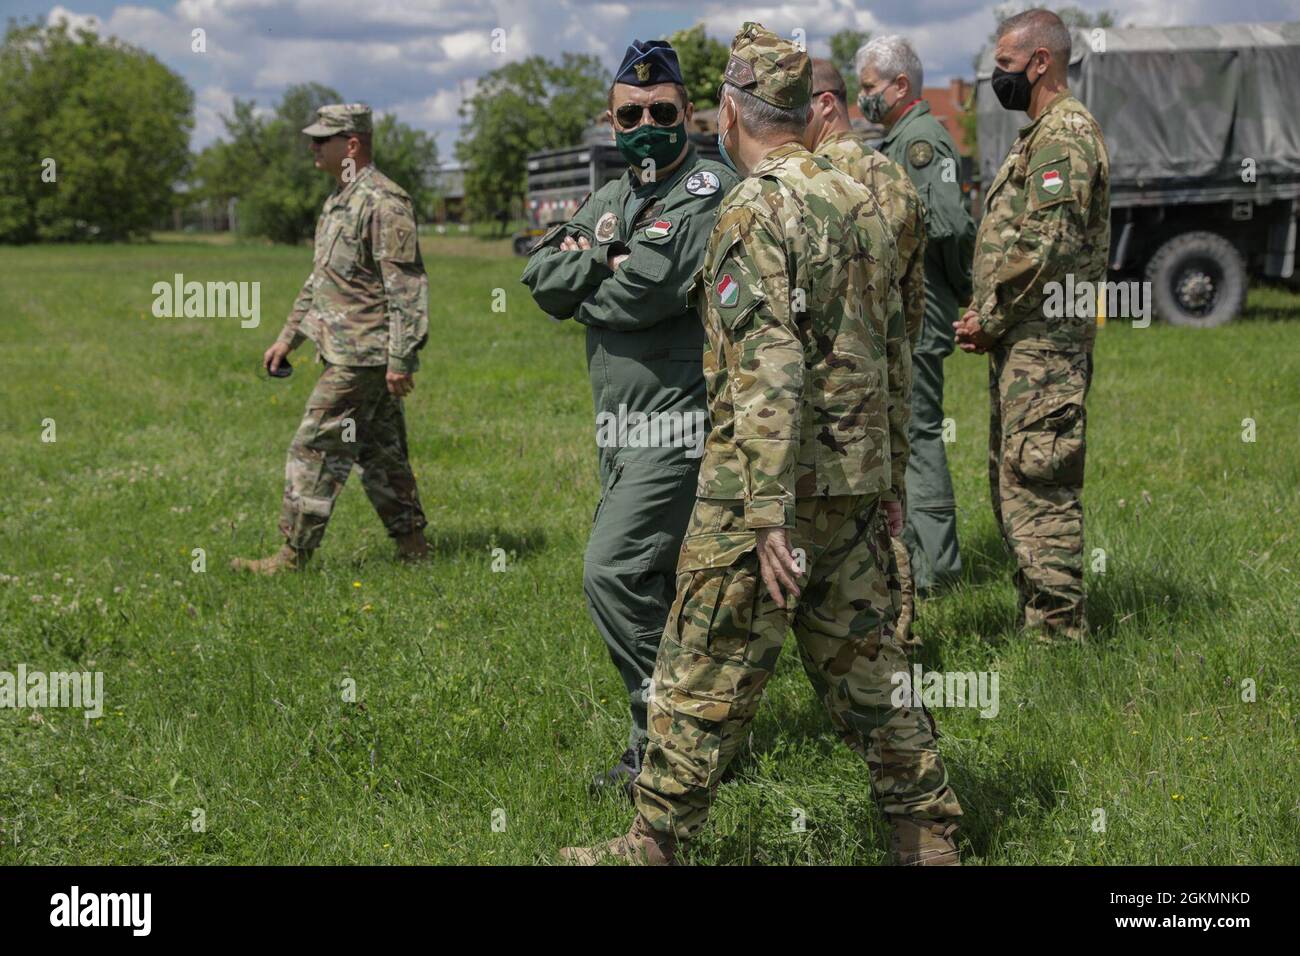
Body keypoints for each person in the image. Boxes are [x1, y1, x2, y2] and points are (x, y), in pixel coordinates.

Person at [561, 23, 963, 866]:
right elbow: (900, 342)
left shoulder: (752, 206)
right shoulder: (866, 196)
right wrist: (889, 475)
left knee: (699, 666)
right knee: (871, 670)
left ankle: (653, 843)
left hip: (759, 494)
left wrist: (768, 512)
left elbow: (769, 360)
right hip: (853, 483)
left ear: (728, 114)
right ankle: (926, 835)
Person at [520, 41, 738, 797]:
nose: (647, 123)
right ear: (612, 121)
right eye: (631, 113)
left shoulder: (707, 185)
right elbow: (541, 277)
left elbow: (650, 287)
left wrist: (598, 268)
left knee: (611, 573)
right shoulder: (615, 194)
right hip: (618, 425)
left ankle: (675, 745)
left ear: (690, 114)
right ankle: (680, 740)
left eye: (662, 110)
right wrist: (597, 261)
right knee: (665, 584)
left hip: (675, 422)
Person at [953, 8, 1110, 642]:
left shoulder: (1064, 136)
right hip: (1026, 346)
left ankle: (1057, 639)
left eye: (1005, 66)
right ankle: (1040, 620)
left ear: (1040, 62)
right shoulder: (1039, 133)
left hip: (1045, 348)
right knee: (1017, 481)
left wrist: (988, 316)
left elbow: (1044, 247)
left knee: (1039, 487)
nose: (999, 78)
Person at [233, 104, 429, 574]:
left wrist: (401, 357)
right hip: (341, 348)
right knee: (381, 454)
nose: (312, 147)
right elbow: (321, 281)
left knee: (314, 447)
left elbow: (406, 287)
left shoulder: (385, 202)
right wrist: (288, 338)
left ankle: (292, 555)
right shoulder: (339, 199)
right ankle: (414, 549)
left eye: (323, 139)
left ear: (353, 144)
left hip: (362, 357)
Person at [805, 56, 928, 644]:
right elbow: (910, 300)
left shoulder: (812, 183)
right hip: (887, 380)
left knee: (838, 523)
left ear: (826, 105)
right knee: (885, 512)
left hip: (832, 385)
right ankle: (894, 641)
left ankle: (879, 654)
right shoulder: (894, 177)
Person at [858, 35, 974, 602]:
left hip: (923, 309)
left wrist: (960, 284)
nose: (863, 100)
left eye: (869, 88)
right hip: (911, 308)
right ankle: (921, 558)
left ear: (900, 85)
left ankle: (935, 567)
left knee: (921, 433)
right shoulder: (901, 140)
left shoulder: (922, 142)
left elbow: (950, 225)